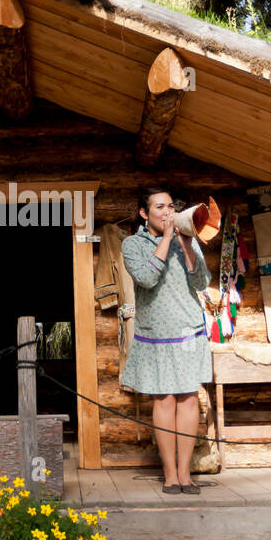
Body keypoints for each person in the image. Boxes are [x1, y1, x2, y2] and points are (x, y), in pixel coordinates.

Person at [119, 188, 213, 494]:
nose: (168, 211)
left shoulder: (188, 239)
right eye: (160, 206)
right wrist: (166, 240)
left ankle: (186, 474)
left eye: (171, 206)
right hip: (156, 333)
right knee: (164, 398)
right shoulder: (132, 244)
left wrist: (186, 245)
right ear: (145, 213)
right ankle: (170, 474)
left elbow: (202, 282)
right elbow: (146, 278)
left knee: (188, 397)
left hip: (188, 329)